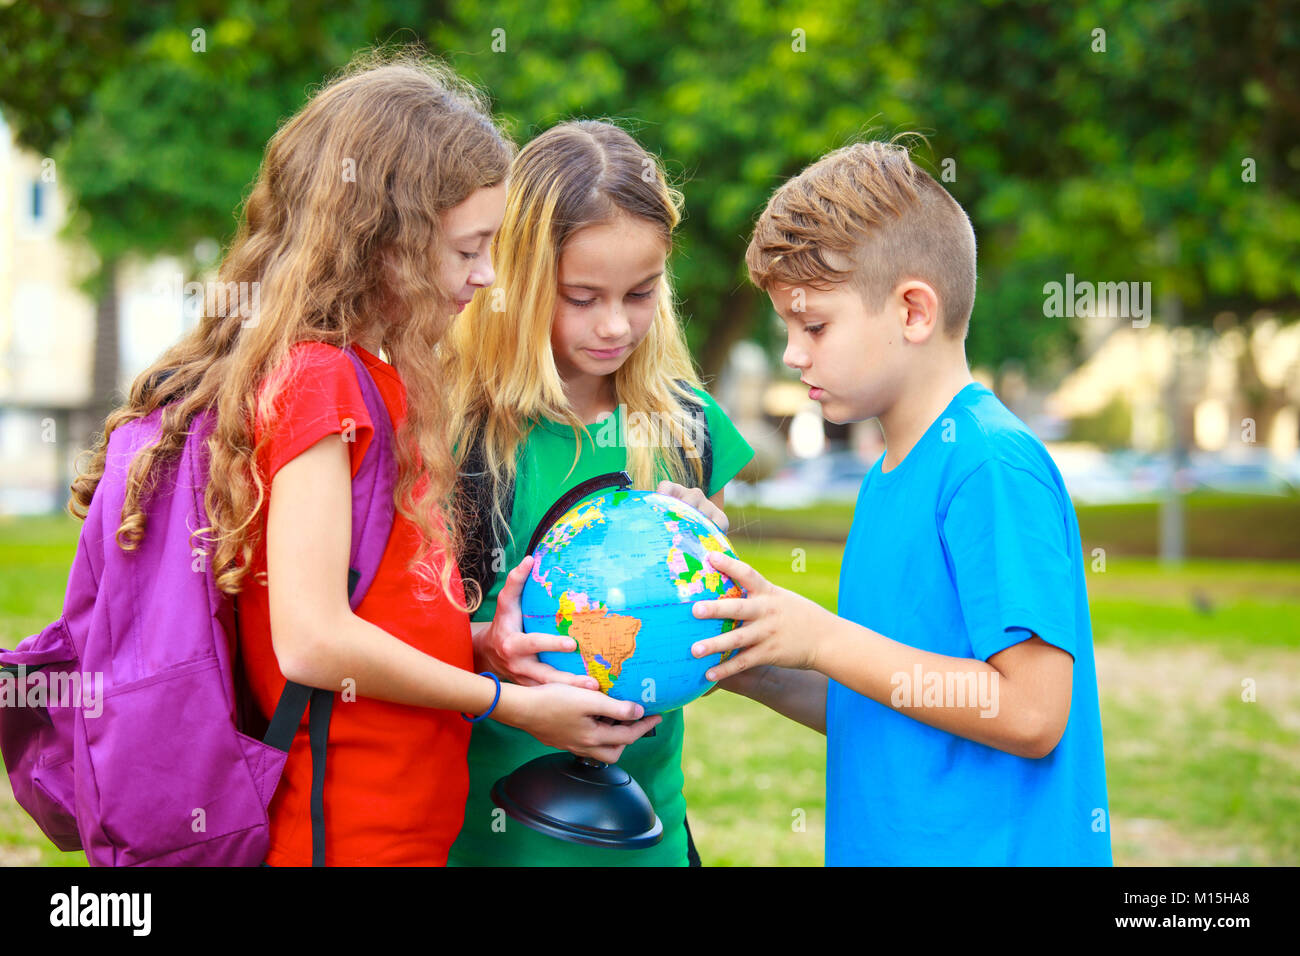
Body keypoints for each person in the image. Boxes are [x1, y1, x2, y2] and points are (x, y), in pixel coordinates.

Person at [70, 53, 659, 867]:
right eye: (467, 250)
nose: (487, 277)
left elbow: (376, 611)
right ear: (385, 242)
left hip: (398, 826)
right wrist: (505, 705)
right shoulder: (320, 380)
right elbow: (313, 640)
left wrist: (484, 643)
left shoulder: (369, 376)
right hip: (340, 834)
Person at [689, 140, 1112, 865]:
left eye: (813, 325)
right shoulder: (886, 476)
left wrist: (823, 636)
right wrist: (753, 659)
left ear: (914, 310)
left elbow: (1035, 712)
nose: (793, 353)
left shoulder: (989, 464)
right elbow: (891, 702)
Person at [444, 120, 755, 866]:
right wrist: (490, 658)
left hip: (643, 828)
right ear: (514, 281)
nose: (615, 325)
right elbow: (389, 639)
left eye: (640, 293)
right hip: (488, 830)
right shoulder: (454, 430)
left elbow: (706, 641)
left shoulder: (684, 427)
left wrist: (714, 575)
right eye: (581, 297)